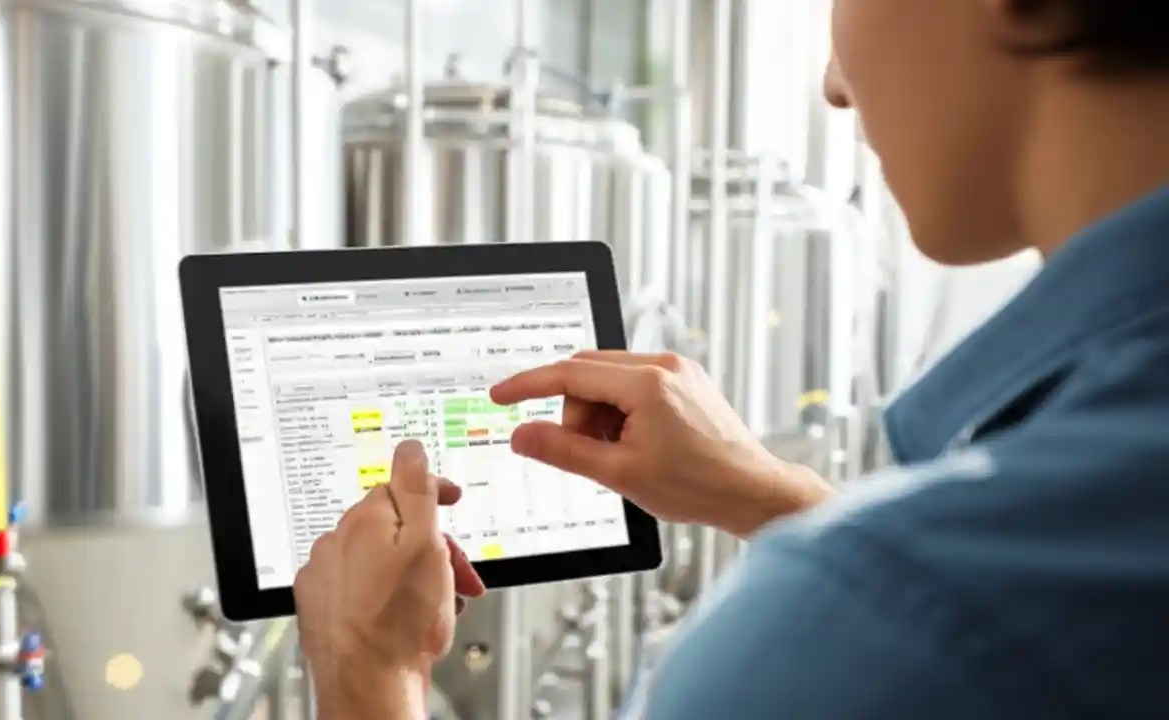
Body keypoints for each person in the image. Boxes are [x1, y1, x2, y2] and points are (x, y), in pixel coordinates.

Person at [293, 0, 1169, 717]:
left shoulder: (868, 636)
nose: (833, 82)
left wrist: (367, 674)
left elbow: (938, 626)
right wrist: (776, 498)